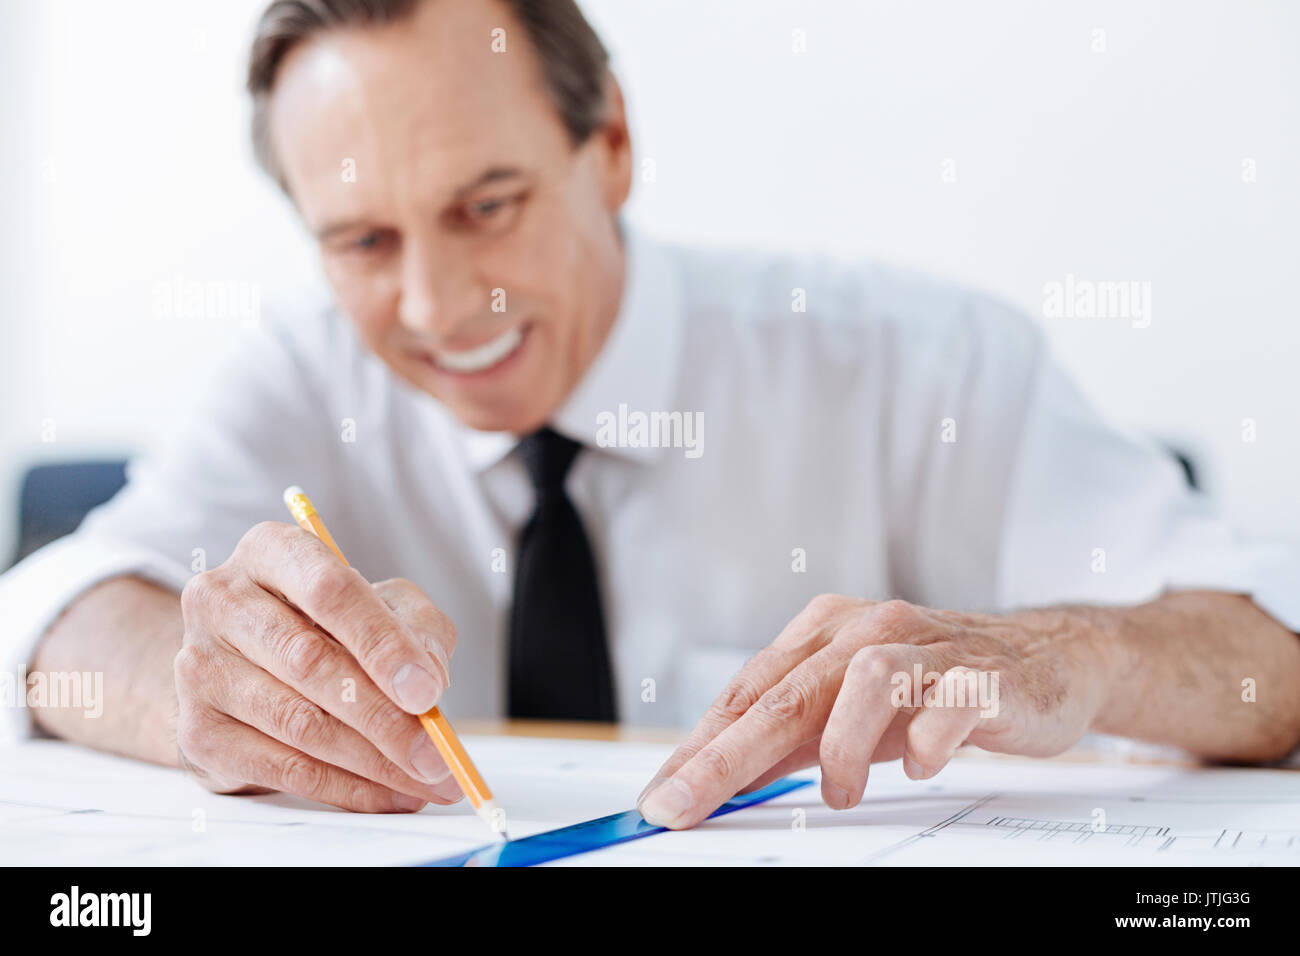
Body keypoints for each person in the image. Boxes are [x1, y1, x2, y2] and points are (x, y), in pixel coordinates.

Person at [4, 0, 1298, 831]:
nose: (437, 303)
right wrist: (195, 688)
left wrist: (1073, 655)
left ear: (610, 143)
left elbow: (1276, 654)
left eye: (487, 205)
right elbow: (61, 603)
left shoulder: (928, 364)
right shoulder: (300, 372)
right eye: (360, 238)